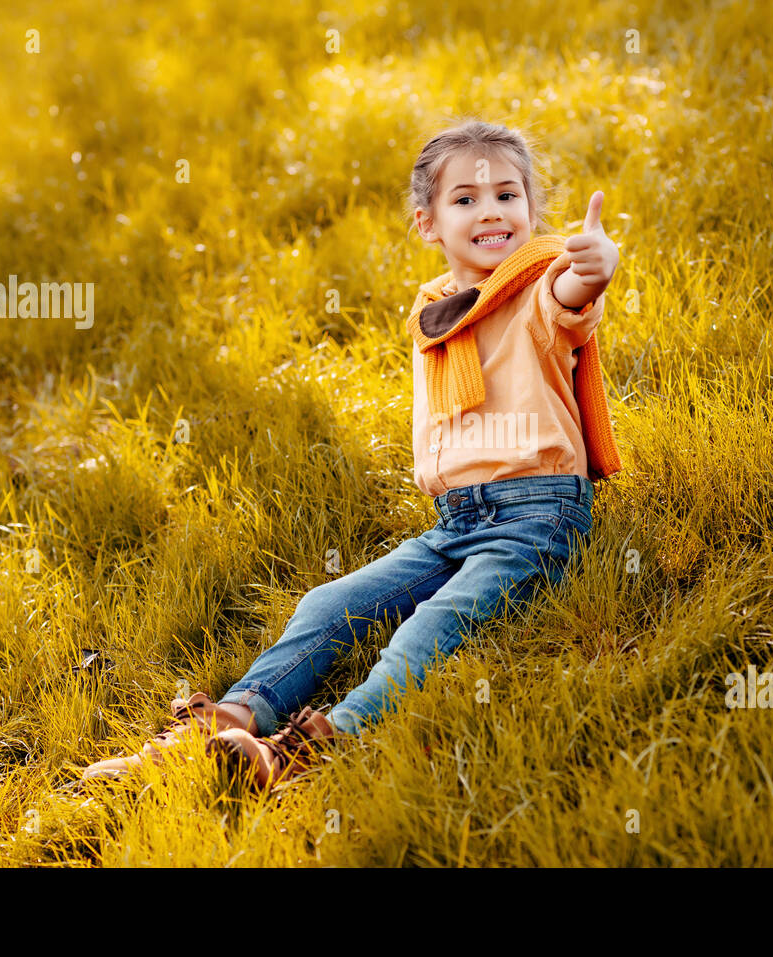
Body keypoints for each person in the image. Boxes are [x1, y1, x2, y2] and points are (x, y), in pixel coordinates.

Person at [79, 118, 623, 791]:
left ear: (532, 212)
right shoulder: (437, 311)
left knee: (433, 627)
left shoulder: (539, 289)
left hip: (536, 517)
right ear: (427, 223)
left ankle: (309, 747)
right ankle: (231, 717)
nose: (491, 211)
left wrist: (590, 269)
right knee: (327, 604)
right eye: (466, 199)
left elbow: (572, 301)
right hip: (456, 521)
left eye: (508, 196)